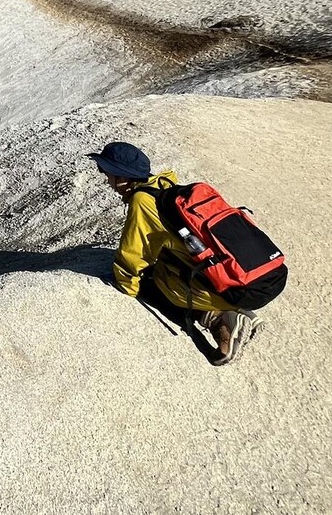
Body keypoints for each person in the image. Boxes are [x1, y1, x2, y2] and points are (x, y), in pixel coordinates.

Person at [89, 140, 259, 364]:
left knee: (150, 283)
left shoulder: (142, 201)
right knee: (163, 266)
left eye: (105, 171)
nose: (105, 177)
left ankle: (219, 318)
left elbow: (132, 257)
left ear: (122, 177)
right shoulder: (164, 187)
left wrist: (127, 288)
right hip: (240, 275)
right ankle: (229, 308)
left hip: (212, 282)